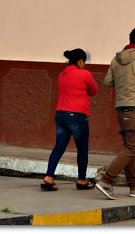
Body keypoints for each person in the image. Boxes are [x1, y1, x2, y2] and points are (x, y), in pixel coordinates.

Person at [94, 26, 135, 200]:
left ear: (130, 40)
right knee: (131, 148)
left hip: (120, 107)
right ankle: (107, 180)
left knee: (129, 147)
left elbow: (107, 82)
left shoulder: (116, 59)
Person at [41, 48, 99, 191]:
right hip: (78, 115)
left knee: (59, 147)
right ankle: (81, 180)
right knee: (82, 148)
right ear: (80, 61)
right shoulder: (84, 74)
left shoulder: (62, 74)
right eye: (84, 62)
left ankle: (49, 176)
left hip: (61, 114)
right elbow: (94, 90)